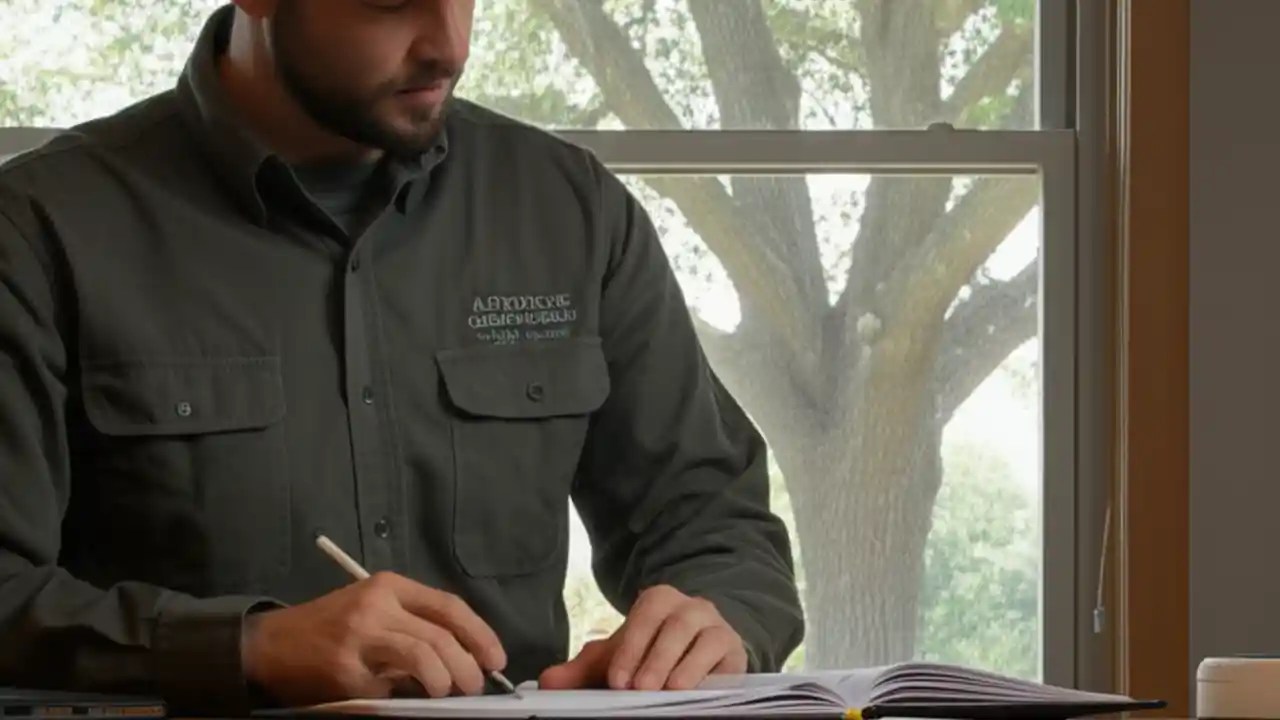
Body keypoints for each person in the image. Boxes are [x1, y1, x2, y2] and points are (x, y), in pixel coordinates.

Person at [0, 0, 804, 716]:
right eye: (393, 5)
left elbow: (711, 515)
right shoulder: (40, 232)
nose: (448, 44)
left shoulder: (572, 210)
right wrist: (247, 649)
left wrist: (716, 617)